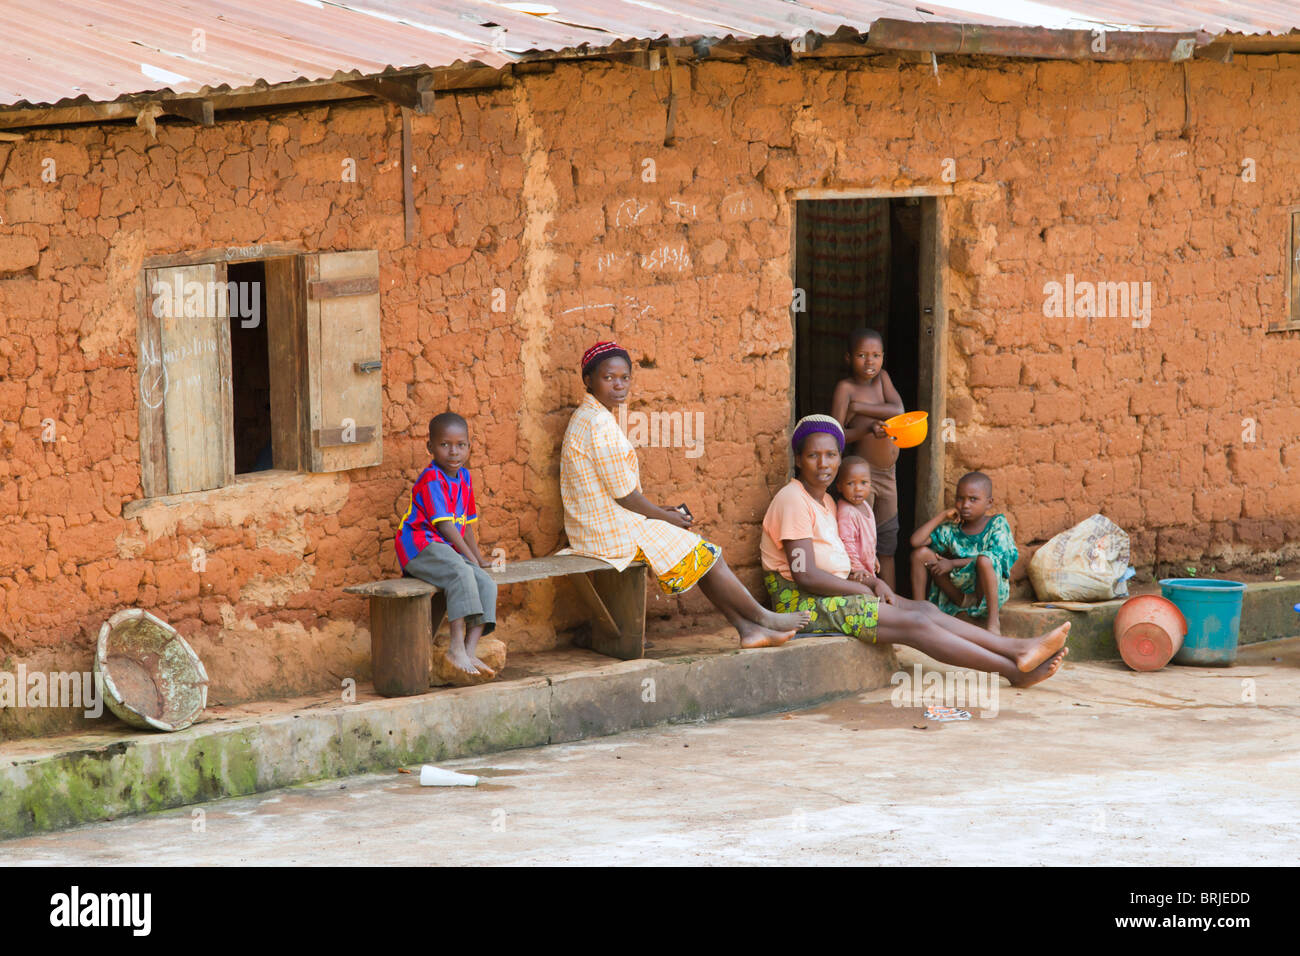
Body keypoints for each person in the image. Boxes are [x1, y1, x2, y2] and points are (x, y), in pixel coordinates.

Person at [761, 416, 1068, 688]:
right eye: (813, 455)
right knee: (916, 625)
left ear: (840, 459)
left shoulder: (827, 502)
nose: (824, 463)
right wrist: (867, 585)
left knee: (926, 611)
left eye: (831, 455)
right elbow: (805, 576)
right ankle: (1012, 670)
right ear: (799, 459)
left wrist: (866, 582)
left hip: (832, 594)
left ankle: (1018, 649)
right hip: (802, 604)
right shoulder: (793, 500)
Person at [560, 341, 811, 649]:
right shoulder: (598, 423)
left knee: (699, 551)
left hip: (601, 523)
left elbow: (617, 493)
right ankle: (762, 618)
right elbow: (624, 495)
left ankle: (749, 628)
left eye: (625, 378)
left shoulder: (591, 415)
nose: (618, 385)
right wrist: (663, 516)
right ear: (588, 380)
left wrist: (660, 512)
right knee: (703, 551)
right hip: (604, 533)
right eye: (608, 378)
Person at [396, 412, 498, 680]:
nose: (454, 452)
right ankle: (455, 647)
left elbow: (465, 526)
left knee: (486, 583)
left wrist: (479, 558)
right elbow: (446, 527)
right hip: (419, 547)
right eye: (445, 445)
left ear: (469, 446)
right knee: (462, 572)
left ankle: (469, 649)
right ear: (430, 448)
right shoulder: (431, 479)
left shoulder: (464, 478)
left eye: (460, 445)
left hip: (445, 550)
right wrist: (469, 560)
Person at [830, 328, 905, 589]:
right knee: (861, 541)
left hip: (889, 474)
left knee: (887, 539)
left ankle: (892, 599)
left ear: (883, 357)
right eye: (862, 355)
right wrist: (865, 429)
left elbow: (898, 410)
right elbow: (835, 436)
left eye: (875, 355)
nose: (869, 361)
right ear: (848, 358)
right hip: (862, 476)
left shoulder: (882, 379)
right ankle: (867, 598)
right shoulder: (845, 388)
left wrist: (859, 408)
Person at [910, 472, 1018, 634]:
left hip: (985, 594)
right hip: (959, 595)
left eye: (973, 499)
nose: (965, 505)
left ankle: (993, 622)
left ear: (989, 503)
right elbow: (916, 542)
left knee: (985, 559)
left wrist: (952, 563)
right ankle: (919, 613)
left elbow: (1000, 557)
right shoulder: (952, 530)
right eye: (960, 499)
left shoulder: (997, 524)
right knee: (920, 554)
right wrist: (942, 516)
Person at [835, 455, 880, 584]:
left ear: (871, 483)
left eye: (864, 483)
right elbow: (846, 542)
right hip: (855, 574)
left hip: (865, 568)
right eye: (850, 483)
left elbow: (866, 539)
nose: (858, 488)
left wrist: (873, 556)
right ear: (839, 486)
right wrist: (857, 567)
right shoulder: (847, 512)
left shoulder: (865, 504)